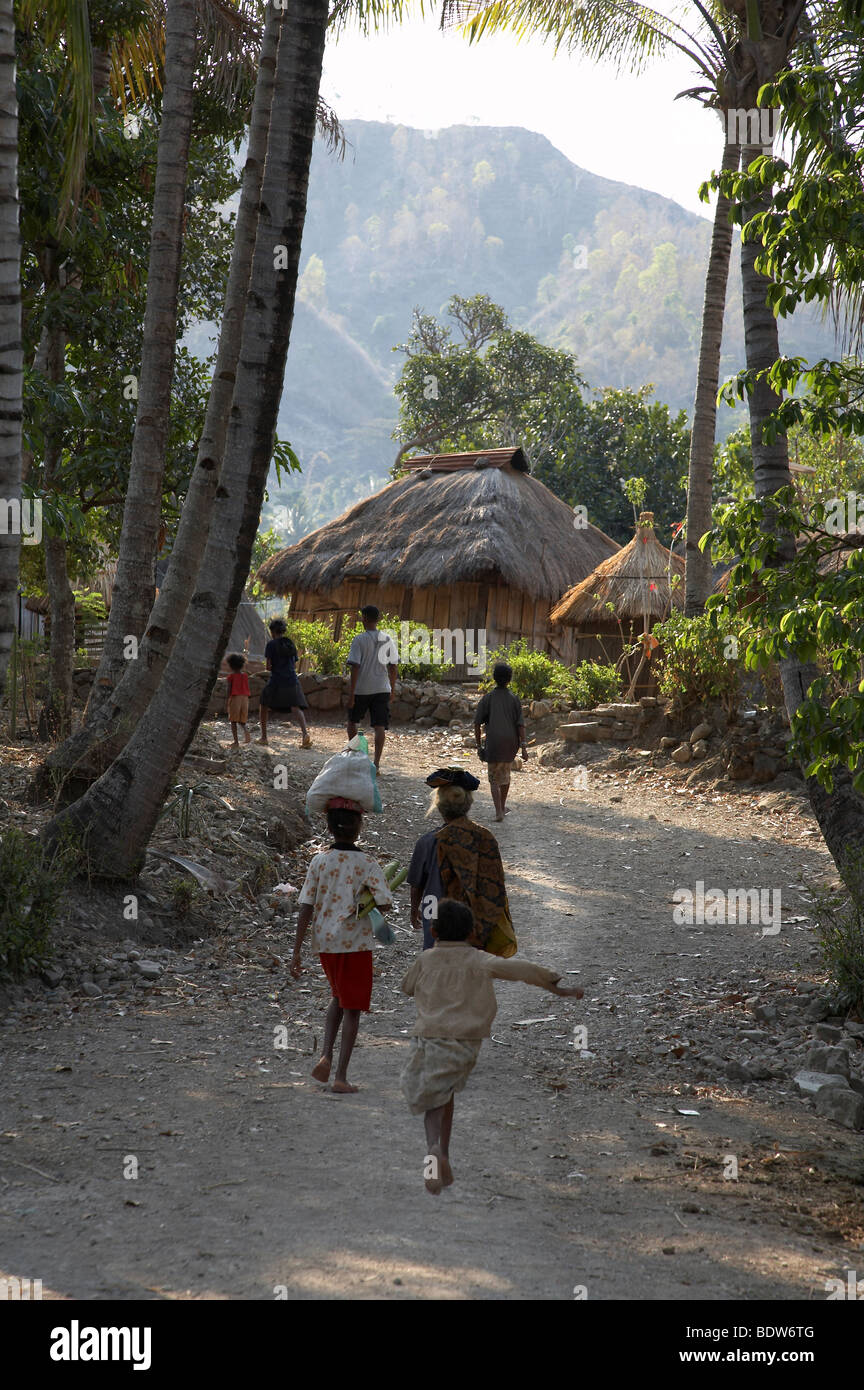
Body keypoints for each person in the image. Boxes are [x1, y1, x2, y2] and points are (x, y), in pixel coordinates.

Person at [401, 898, 583, 1195]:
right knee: (445, 1094)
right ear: (472, 933)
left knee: (432, 1103)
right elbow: (520, 969)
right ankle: (443, 1154)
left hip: (428, 1039)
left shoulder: (425, 960)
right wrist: (555, 985)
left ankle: (434, 1150)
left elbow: (406, 987)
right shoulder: (480, 959)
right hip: (465, 1045)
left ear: (434, 932)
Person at [290, 802, 392, 1093]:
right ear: (359, 828)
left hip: (325, 943)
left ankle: (325, 1055)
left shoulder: (319, 861)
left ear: (329, 827)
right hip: (355, 944)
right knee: (353, 1008)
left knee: (338, 996)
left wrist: (296, 951)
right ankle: (341, 1076)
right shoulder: (368, 863)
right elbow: (383, 903)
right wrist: (368, 902)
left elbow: (305, 907)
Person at [408, 768, 516, 957]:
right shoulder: (485, 837)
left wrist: (413, 909)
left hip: (435, 911)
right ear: (468, 804)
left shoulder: (428, 841)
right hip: (473, 917)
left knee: (435, 961)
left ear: (439, 806)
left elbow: (417, 884)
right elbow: (496, 883)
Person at [474, 662, 527, 822]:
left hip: (493, 743)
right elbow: (521, 725)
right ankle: (503, 807)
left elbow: (477, 723)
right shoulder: (514, 699)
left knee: (493, 779)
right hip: (510, 744)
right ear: (509, 679)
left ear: (494, 678)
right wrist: (524, 747)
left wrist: (478, 745)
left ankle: (498, 811)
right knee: (505, 776)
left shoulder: (487, 698)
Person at [346, 605, 396, 772]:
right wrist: (392, 689)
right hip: (382, 687)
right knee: (379, 726)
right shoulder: (387, 639)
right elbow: (393, 667)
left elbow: (355, 667)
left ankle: (356, 756)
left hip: (362, 688)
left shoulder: (359, 640)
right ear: (378, 619)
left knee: (353, 722)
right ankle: (376, 763)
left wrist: (351, 694)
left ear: (364, 619)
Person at [258, 618, 312, 748]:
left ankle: (264, 737)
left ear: (272, 631)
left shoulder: (271, 645)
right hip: (292, 679)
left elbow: (268, 667)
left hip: (276, 680)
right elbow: (294, 664)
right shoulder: (290, 643)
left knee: (263, 704)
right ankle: (305, 735)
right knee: (295, 707)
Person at [224, 652, 251, 748]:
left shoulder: (231, 677)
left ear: (231, 665)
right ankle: (246, 732)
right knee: (242, 720)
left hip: (235, 698)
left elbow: (229, 689)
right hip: (245, 698)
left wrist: (227, 701)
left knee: (233, 721)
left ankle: (236, 742)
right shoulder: (245, 676)